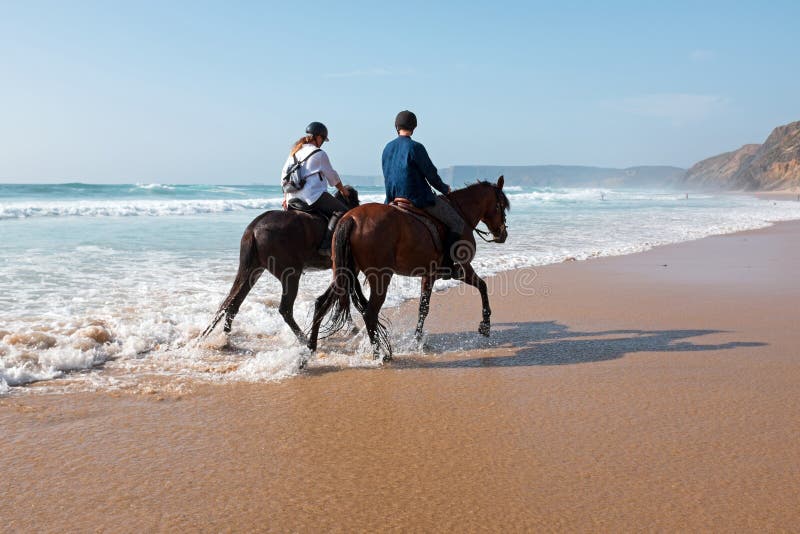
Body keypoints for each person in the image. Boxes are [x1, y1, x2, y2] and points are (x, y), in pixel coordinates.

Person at [382, 110, 466, 276]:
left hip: (393, 198)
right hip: (417, 198)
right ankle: (447, 267)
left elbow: (388, 175)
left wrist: (390, 198)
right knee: (457, 222)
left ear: (396, 126)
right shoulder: (416, 147)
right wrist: (445, 189)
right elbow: (431, 175)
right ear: (414, 127)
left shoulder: (387, 148)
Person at [281, 121, 350, 254]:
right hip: (312, 196)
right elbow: (332, 176)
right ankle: (326, 246)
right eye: (323, 139)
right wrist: (343, 190)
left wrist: (285, 198)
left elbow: (284, 178)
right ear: (318, 137)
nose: (322, 142)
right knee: (342, 212)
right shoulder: (319, 153)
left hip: (292, 198)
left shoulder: (294, 153)